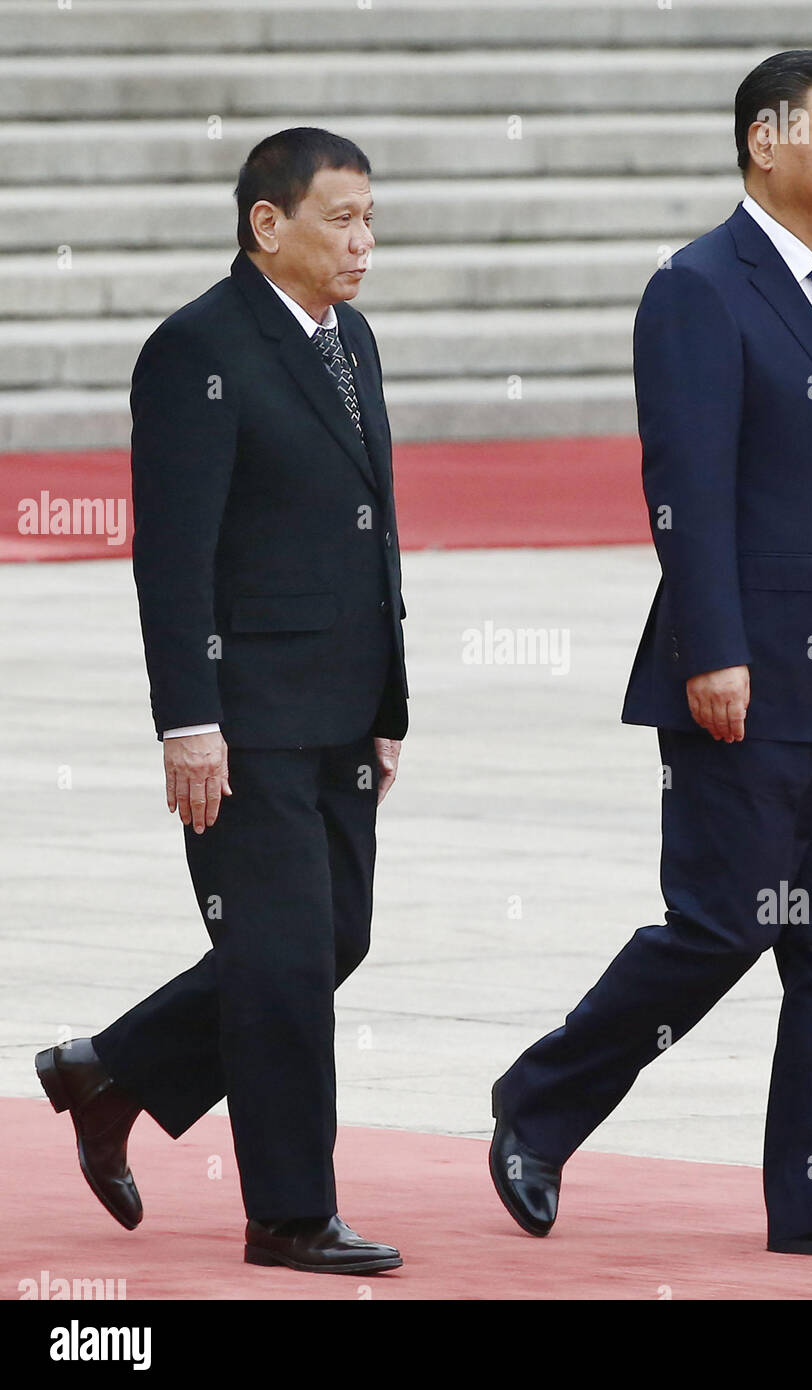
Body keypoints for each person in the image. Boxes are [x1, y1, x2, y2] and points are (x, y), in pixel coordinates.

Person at [489, 51, 812, 1261]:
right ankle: (537, 1107)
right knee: (720, 924)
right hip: (748, 681)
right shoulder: (698, 288)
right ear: (766, 142)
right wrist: (715, 647)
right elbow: (685, 487)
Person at [35, 127, 409, 1276]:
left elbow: (373, 527)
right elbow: (173, 559)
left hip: (342, 706)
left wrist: (389, 699)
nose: (363, 241)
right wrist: (186, 721)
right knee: (287, 961)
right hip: (244, 719)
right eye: (340, 218)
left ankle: (114, 1073)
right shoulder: (196, 349)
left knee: (330, 938)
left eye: (369, 217)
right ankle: (291, 1213)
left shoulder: (352, 341)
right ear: (267, 224)